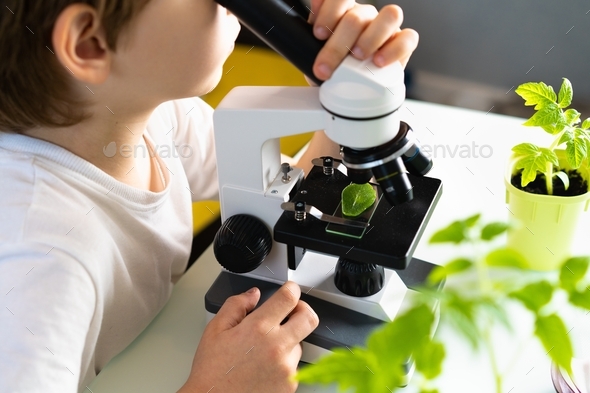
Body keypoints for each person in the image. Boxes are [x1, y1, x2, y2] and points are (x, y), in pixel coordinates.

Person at [0, 0, 418, 392]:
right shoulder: (39, 262)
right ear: (90, 44)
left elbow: (289, 199)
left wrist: (336, 90)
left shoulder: (157, 117)